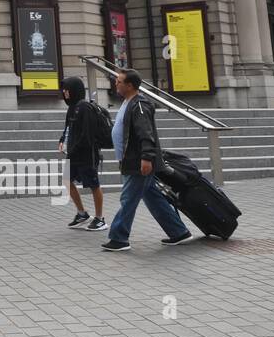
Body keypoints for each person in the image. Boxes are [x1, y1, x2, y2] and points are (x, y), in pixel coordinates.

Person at [102, 69, 193, 252]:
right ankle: (179, 232)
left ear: (129, 85)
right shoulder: (129, 103)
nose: (116, 84)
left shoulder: (140, 105)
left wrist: (146, 158)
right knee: (153, 197)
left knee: (128, 199)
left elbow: (146, 134)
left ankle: (119, 238)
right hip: (132, 160)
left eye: (119, 81)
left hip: (138, 162)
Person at [58, 76, 105, 231]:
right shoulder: (72, 107)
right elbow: (68, 128)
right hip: (73, 153)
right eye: (63, 90)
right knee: (67, 180)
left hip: (86, 153)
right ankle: (82, 213)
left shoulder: (85, 107)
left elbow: (87, 133)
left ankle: (100, 218)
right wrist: (62, 140)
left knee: (93, 185)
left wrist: (74, 147)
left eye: (66, 89)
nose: (64, 92)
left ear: (74, 90)